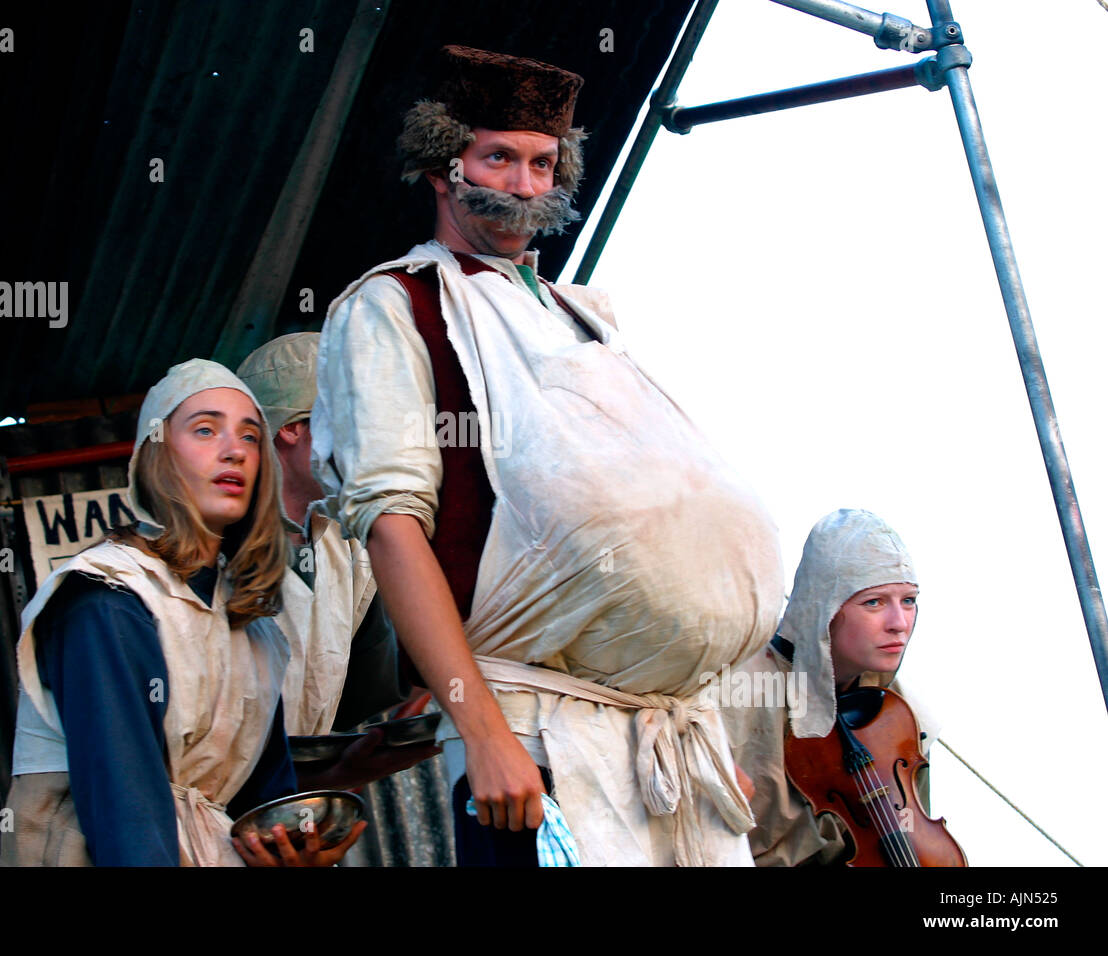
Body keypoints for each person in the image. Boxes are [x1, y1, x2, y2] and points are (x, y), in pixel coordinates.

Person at [312, 45, 784, 866]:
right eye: (498, 156)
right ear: (442, 162)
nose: (524, 186)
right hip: (535, 740)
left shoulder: (583, 315)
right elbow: (393, 529)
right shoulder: (394, 307)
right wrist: (483, 732)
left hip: (668, 745)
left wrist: (707, 730)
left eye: (541, 162)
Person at [0, 358, 365, 866]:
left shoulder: (255, 629)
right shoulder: (107, 600)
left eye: (250, 437)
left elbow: (264, 804)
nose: (234, 450)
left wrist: (292, 853)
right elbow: (124, 817)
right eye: (205, 430)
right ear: (158, 454)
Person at [237, 333, 437, 788]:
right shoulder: (207, 545)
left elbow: (370, 689)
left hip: (291, 812)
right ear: (293, 427)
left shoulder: (350, 548)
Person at [722, 508, 939, 866]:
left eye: (909, 601)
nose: (899, 624)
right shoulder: (740, 692)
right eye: (874, 602)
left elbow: (914, 824)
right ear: (826, 608)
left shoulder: (902, 705)